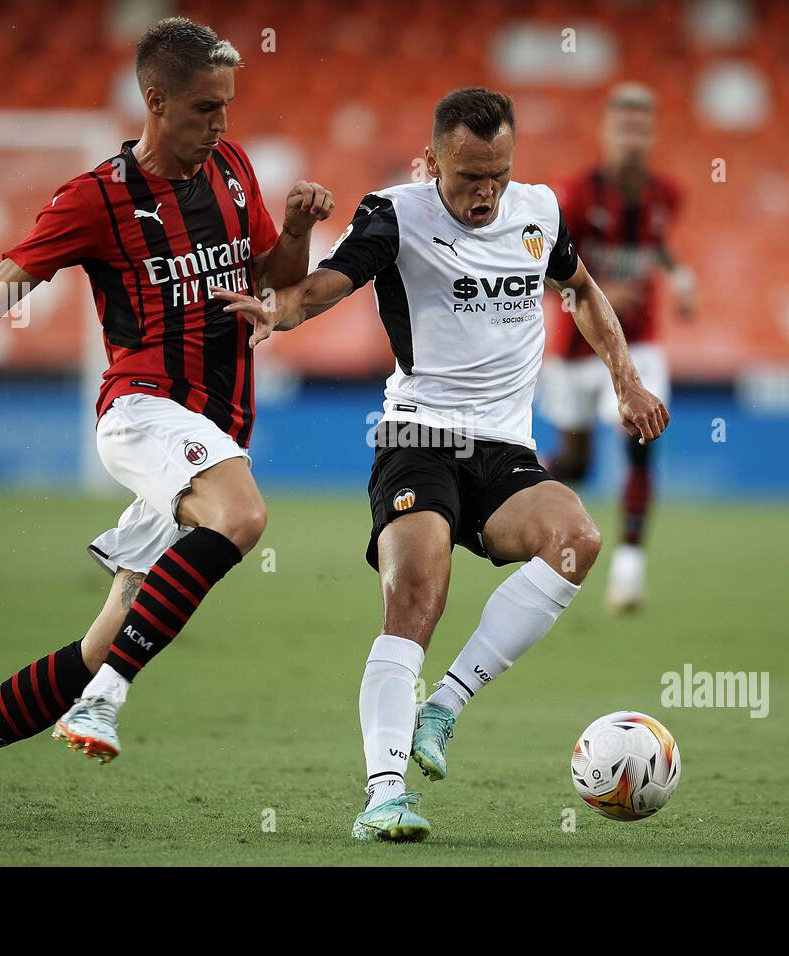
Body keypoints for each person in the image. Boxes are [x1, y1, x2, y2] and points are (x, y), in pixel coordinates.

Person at [0, 17, 334, 826]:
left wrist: (297, 229)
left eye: (228, 106)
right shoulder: (95, 199)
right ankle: (104, 701)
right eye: (204, 109)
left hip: (212, 436)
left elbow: (271, 278)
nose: (221, 125)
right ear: (155, 101)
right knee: (244, 515)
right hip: (143, 413)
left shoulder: (231, 168)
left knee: (103, 640)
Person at [211, 87, 668, 842]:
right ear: (433, 163)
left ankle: (444, 707)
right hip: (419, 440)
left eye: (497, 175)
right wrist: (283, 310)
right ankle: (383, 795)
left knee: (577, 539)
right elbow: (333, 279)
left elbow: (581, 291)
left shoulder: (539, 211)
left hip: (504, 450)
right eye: (467, 179)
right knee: (417, 600)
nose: (484, 194)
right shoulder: (396, 213)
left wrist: (626, 379)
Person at [538, 82, 694, 611]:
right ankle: (508, 495)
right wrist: (595, 290)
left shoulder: (667, 195)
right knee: (577, 463)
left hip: (640, 348)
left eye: (641, 128)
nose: (632, 138)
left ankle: (628, 572)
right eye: (623, 127)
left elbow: (657, 246)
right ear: (606, 134)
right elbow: (538, 273)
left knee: (640, 437)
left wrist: (681, 277)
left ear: (652, 136)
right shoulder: (576, 196)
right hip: (574, 352)